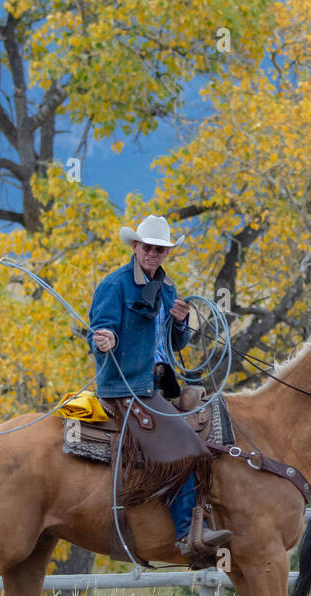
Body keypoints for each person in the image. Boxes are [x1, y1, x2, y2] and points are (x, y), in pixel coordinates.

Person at [89, 214, 230, 559]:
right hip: (127, 386)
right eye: (148, 247)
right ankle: (187, 532)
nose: (153, 253)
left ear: (166, 253)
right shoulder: (114, 285)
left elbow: (175, 343)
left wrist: (181, 323)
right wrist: (104, 340)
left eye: (160, 249)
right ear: (135, 247)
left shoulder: (168, 290)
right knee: (188, 448)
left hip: (160, 384)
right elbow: (100, 331)